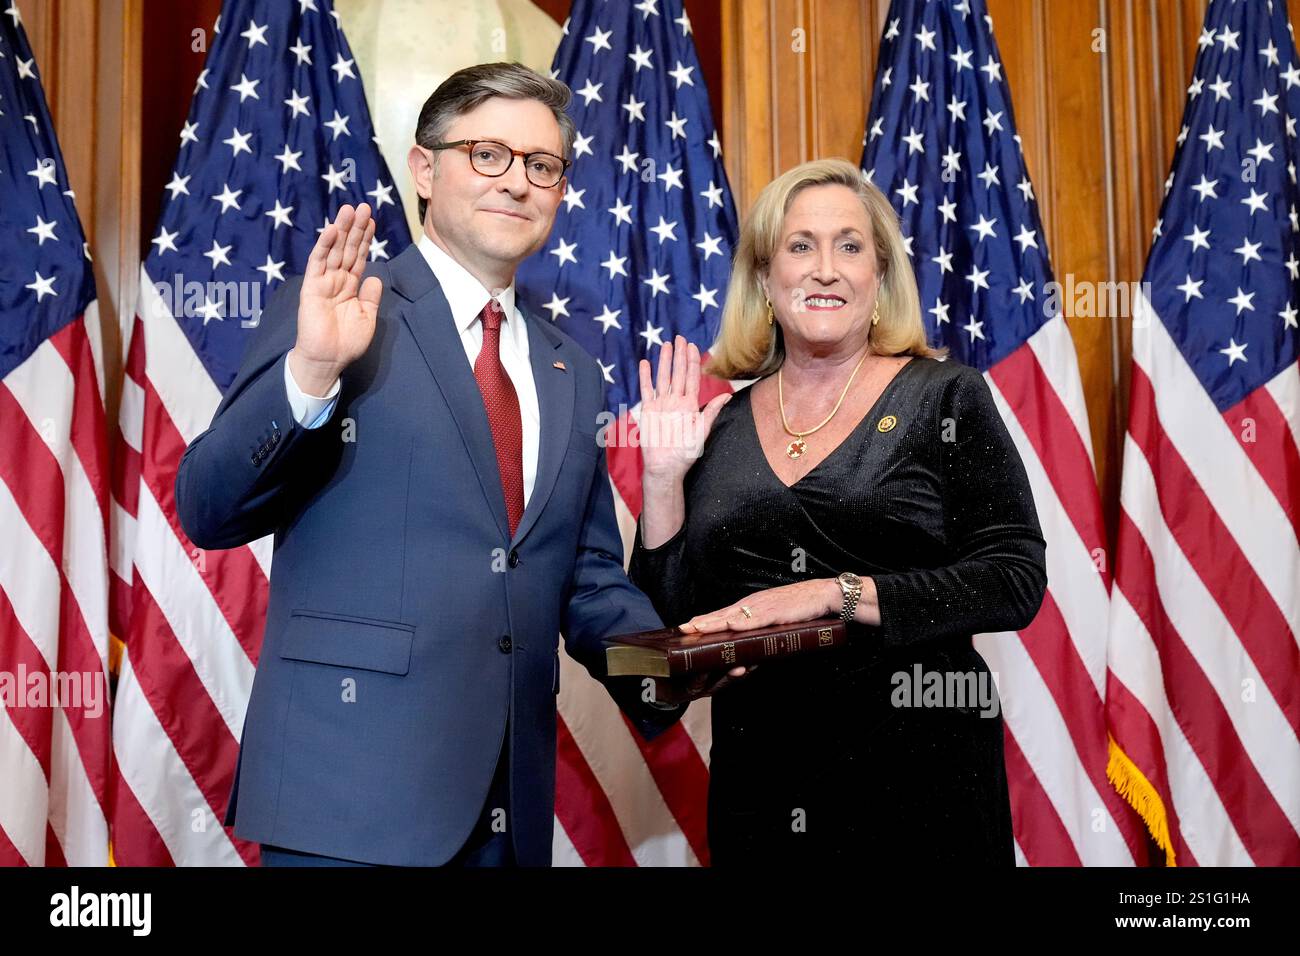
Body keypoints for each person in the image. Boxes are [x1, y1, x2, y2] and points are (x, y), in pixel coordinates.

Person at [175, 62, 682, 867]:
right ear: (423, 167)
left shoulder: (572, 369)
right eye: (488, 154)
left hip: (509, 812)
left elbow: (578, 575)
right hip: (347, 803)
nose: (516, 182)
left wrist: (681, 664)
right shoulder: (346, 309)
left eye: (540, 165)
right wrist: (308, 373)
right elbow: (208, 508)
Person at [628, 158, 1048, 865]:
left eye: (850, 246)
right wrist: (664, 480)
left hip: (923, 782)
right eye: (800, 246)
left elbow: (1013, 579)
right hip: (762, 782)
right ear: (764, 279)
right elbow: (668, 635)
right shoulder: (722, 424)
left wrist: (834, 594)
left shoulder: (947, 398)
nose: (825, 269)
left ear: (880, 279)